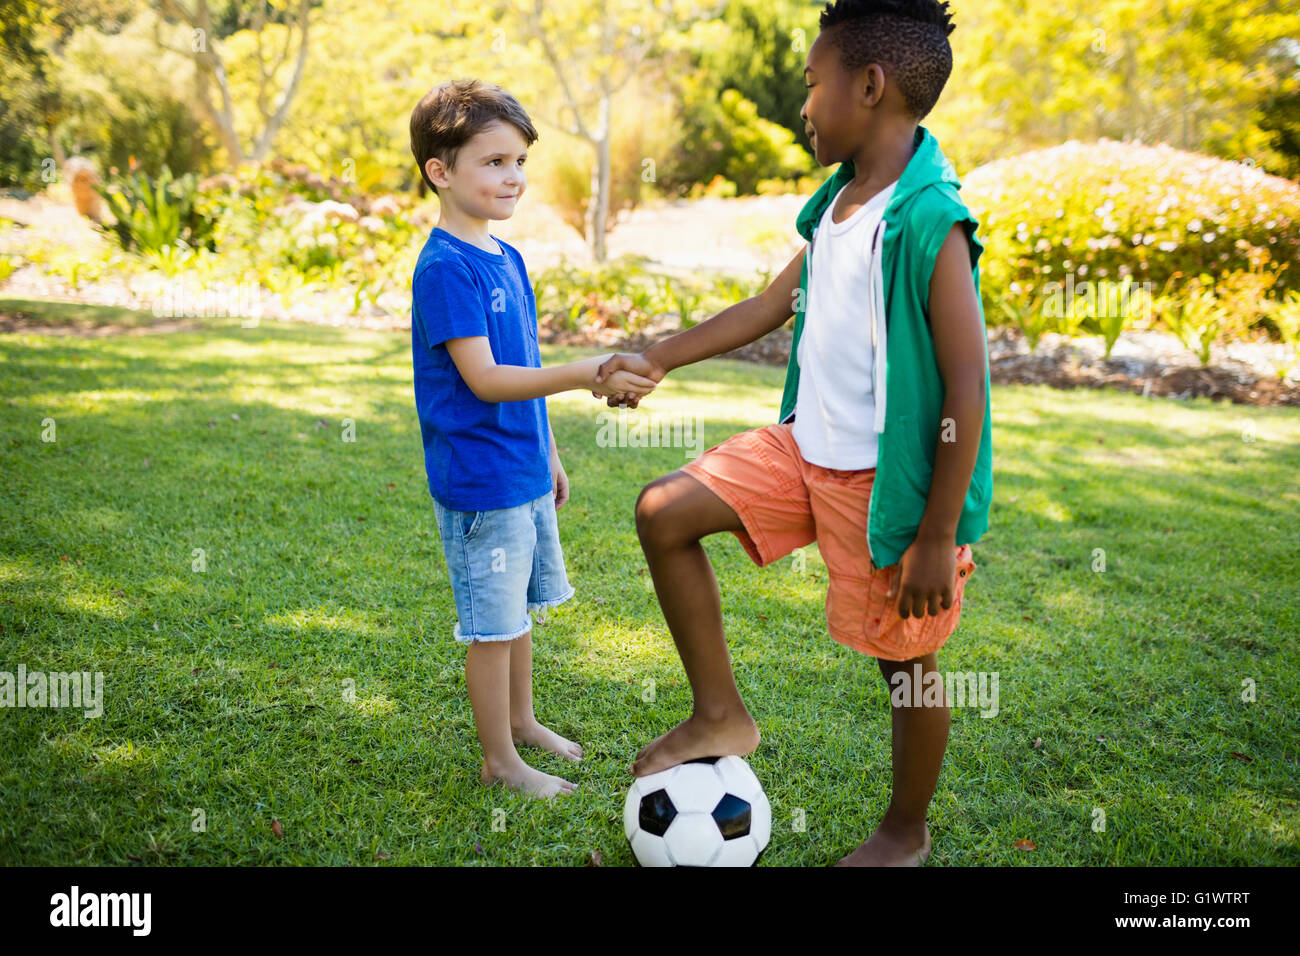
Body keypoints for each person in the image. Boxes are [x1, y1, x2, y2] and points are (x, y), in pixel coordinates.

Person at [594, 0, 994, 863]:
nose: (805, 105)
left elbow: (968, 386)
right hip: (801, 448)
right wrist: (661, 355)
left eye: (815, 86)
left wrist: (934, 537)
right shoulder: (839, 204)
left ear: (872, 85)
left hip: (884, 485)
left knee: (907, 664)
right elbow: (772, 307)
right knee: (664, 510)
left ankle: (904, 830)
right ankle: (718, 713)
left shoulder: (930, 219)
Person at [409, 78, 657, 798]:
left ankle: (522, 721)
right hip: (479, 480)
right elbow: (486, 380)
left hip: (520, 469)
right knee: (491, 625)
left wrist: (548, 453)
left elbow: (516, 365)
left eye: (519, 161)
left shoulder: (506, 258)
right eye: (493, 162)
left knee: (516, 612)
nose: (513, 176)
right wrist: (587, 372)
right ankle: (500, 763)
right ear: (441, 171)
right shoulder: (446, 269)